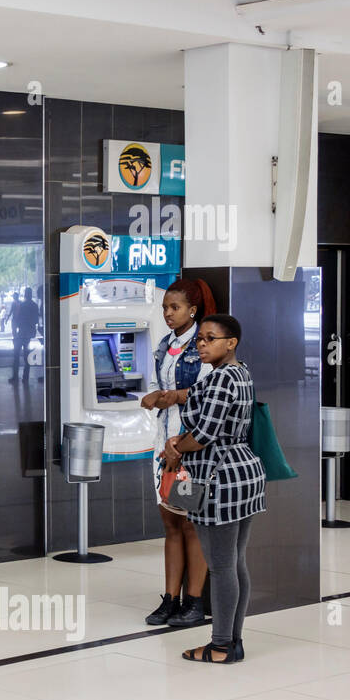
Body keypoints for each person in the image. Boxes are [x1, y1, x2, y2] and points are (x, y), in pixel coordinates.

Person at [162, 315, 266, 664]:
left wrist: (175, 446)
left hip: (217, 478)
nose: (202, 344)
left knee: (221, 566)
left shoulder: (221, 379)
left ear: (231, 342)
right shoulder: (242, 372)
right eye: (200, 339)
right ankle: (232, 641)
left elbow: (204, 434)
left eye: (211, 338)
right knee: (235, 563)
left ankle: (221, 646)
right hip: (243, 473)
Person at [140, 278, 215, 626]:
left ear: (193, 310)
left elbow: (204, 395)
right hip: (162, 446)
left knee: (190, 526)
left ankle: (194, 602)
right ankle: (170, 599)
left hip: (187, 448)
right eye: (165, 308)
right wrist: (155, 396)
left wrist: (176, 396)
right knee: (170, 524)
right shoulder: (164, 345)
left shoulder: (202, 347)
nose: (168, 314)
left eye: (175, 308)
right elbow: (156, 386)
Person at [9, 287, 41, 382]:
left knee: (16, 354)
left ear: (25, 294)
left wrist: (15, 332)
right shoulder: (35, 305)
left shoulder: (21, 305)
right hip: (29, 333)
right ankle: (25, 377)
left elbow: (17, 319)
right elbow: (36, 320)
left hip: (21, 332)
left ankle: (15, 376)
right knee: (27, 355)